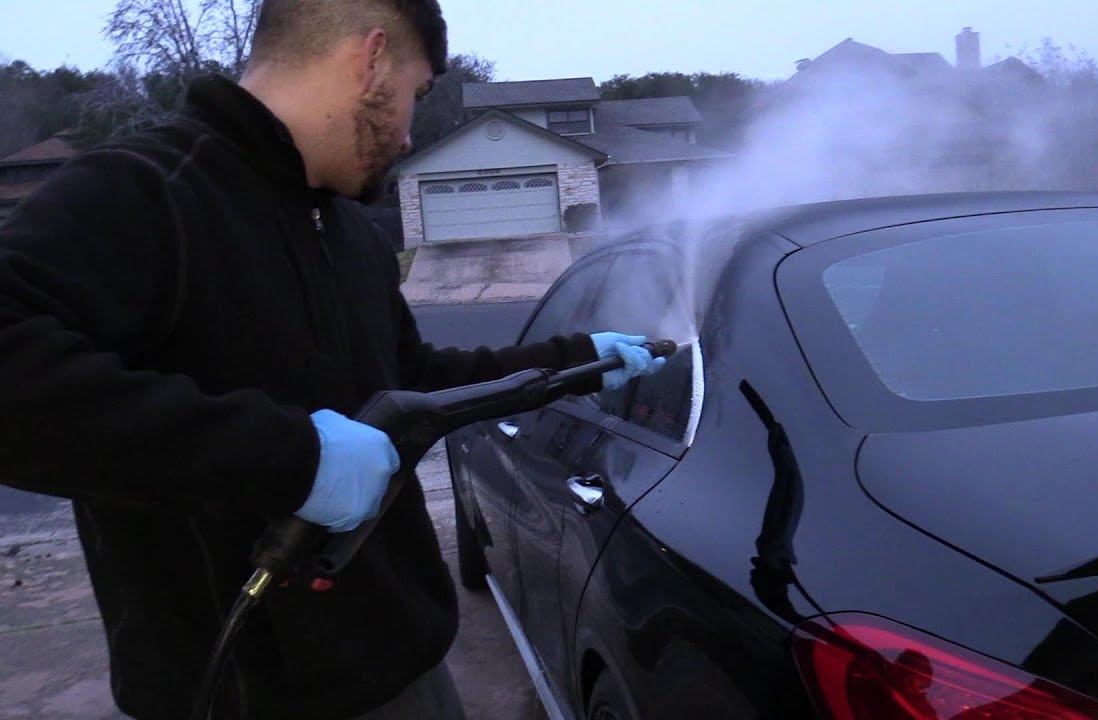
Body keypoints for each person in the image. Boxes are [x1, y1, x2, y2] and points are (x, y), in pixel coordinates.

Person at [0, 1, 663, 718]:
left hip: (406, 664)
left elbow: (410, 384)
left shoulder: (352, 231)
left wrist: (574, 359)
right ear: (370, 57)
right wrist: (292, 457)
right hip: (238, 694)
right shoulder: (142, 191)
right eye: (414, 95)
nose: (409, 134)